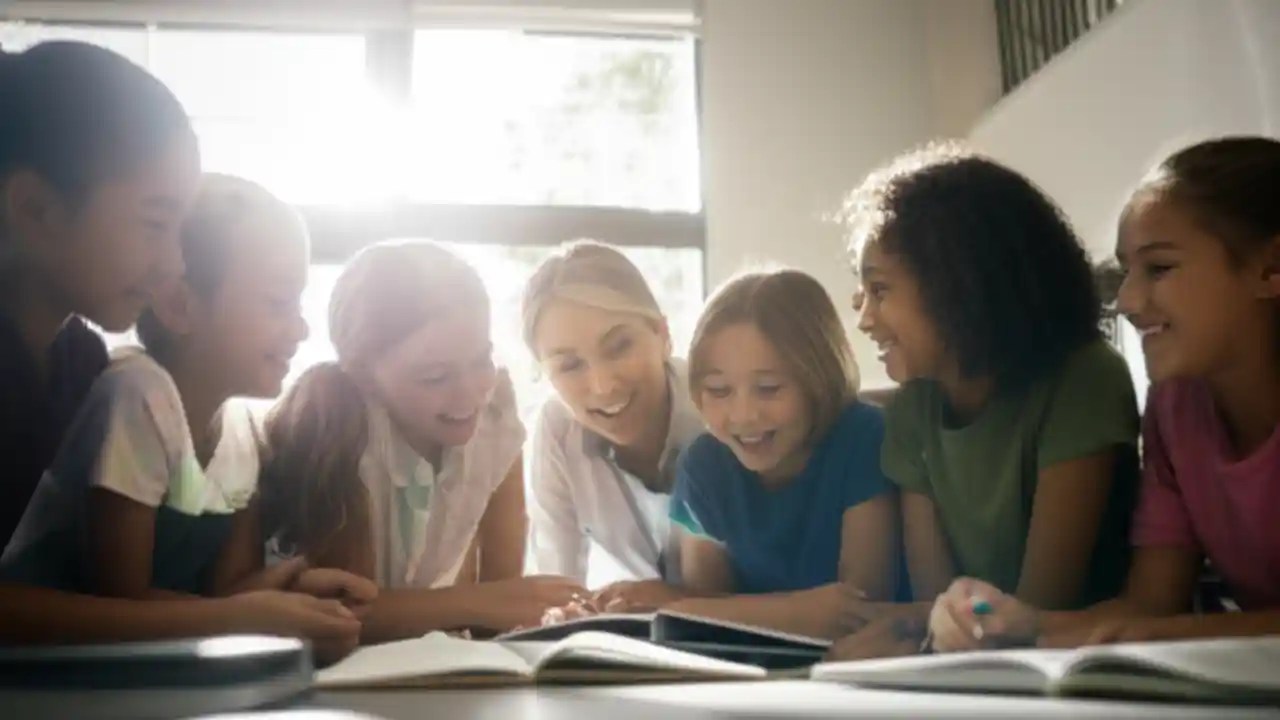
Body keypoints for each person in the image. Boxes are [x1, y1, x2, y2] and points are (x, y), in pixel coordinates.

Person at [0, 41, 360, 652]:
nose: (173, 264)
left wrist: (268, 596)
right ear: (37, 209)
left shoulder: (75, 363)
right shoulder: (121, 386)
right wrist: (239, 618)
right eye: (155, 222)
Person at [929, 137, 1280, 652]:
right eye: (1125, 272)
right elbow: (1149, 605)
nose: (1128, 301)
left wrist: (1162, 633)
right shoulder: (1176, 409)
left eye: (1159, 268)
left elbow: (1155, 626)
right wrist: (1018, 624)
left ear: (1270, 269)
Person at [3, 173, 373, 606]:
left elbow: (226, 594)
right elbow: (123, 600)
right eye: (277, 303)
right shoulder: (139, 394)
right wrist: (257, 617)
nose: (301, 328)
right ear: (181, 305)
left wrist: (295, 583)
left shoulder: (239, 433)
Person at [830, 143, 1140, 659]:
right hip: (981, 662)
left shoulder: (1083, 378)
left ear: (961, 284)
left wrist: (948, 628)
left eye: (880, 290)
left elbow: (1039, 605)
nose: (865, 320)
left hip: (1082, 666)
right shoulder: (913, 410)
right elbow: (940, 601)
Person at [262, 240, 585, 642]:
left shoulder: (493, 418)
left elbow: (504, 601)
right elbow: (342, 615)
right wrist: (475, 603)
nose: (470, 396)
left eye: (481, 360)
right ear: (364, 373)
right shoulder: (340, 430)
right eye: (435, 377)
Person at [663, 269, 899, 639]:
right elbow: (701, 618)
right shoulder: (702, 466)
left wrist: (718, 611)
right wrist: (802, 611)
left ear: (819, 378)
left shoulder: (865, 437)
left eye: (769, 389)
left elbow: (860, 607)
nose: (744, 416)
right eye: (719, 390)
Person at [522, 240, 706, 612]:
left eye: (620, 346)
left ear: (662, 333)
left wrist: (673, 601)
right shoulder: (557, 431)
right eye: (570, 366)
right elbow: (560, 586)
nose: (603, 385)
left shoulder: (721, 408)